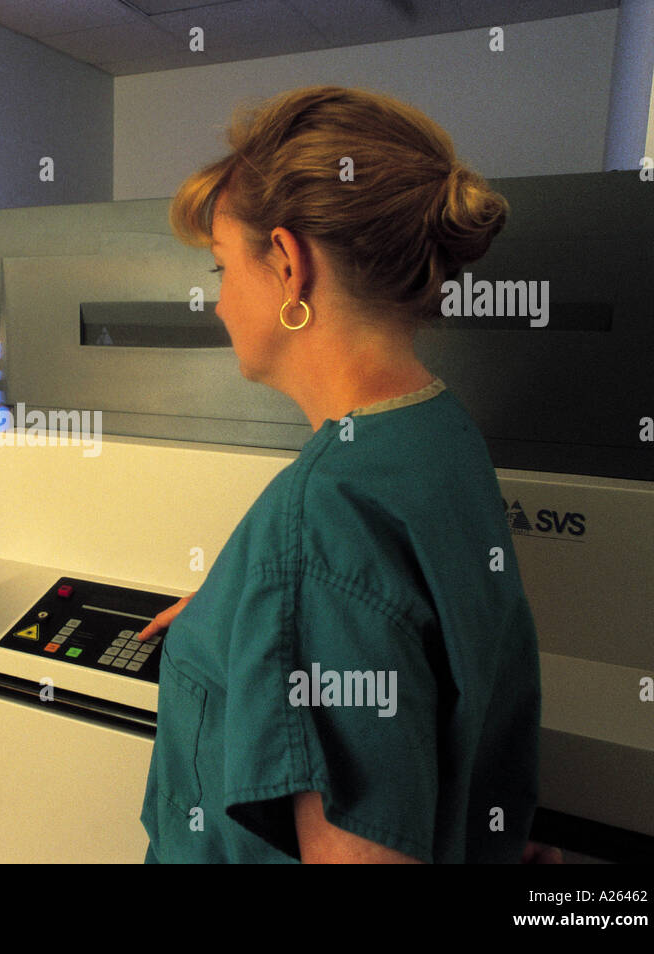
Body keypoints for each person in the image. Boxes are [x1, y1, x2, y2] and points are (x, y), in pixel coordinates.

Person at [135, 87, 541, 863]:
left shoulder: (323, 517)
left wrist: (293, 585)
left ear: (288, 266)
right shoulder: (440, 434)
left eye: (223, 268)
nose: (217, 304)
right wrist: (244, 611)